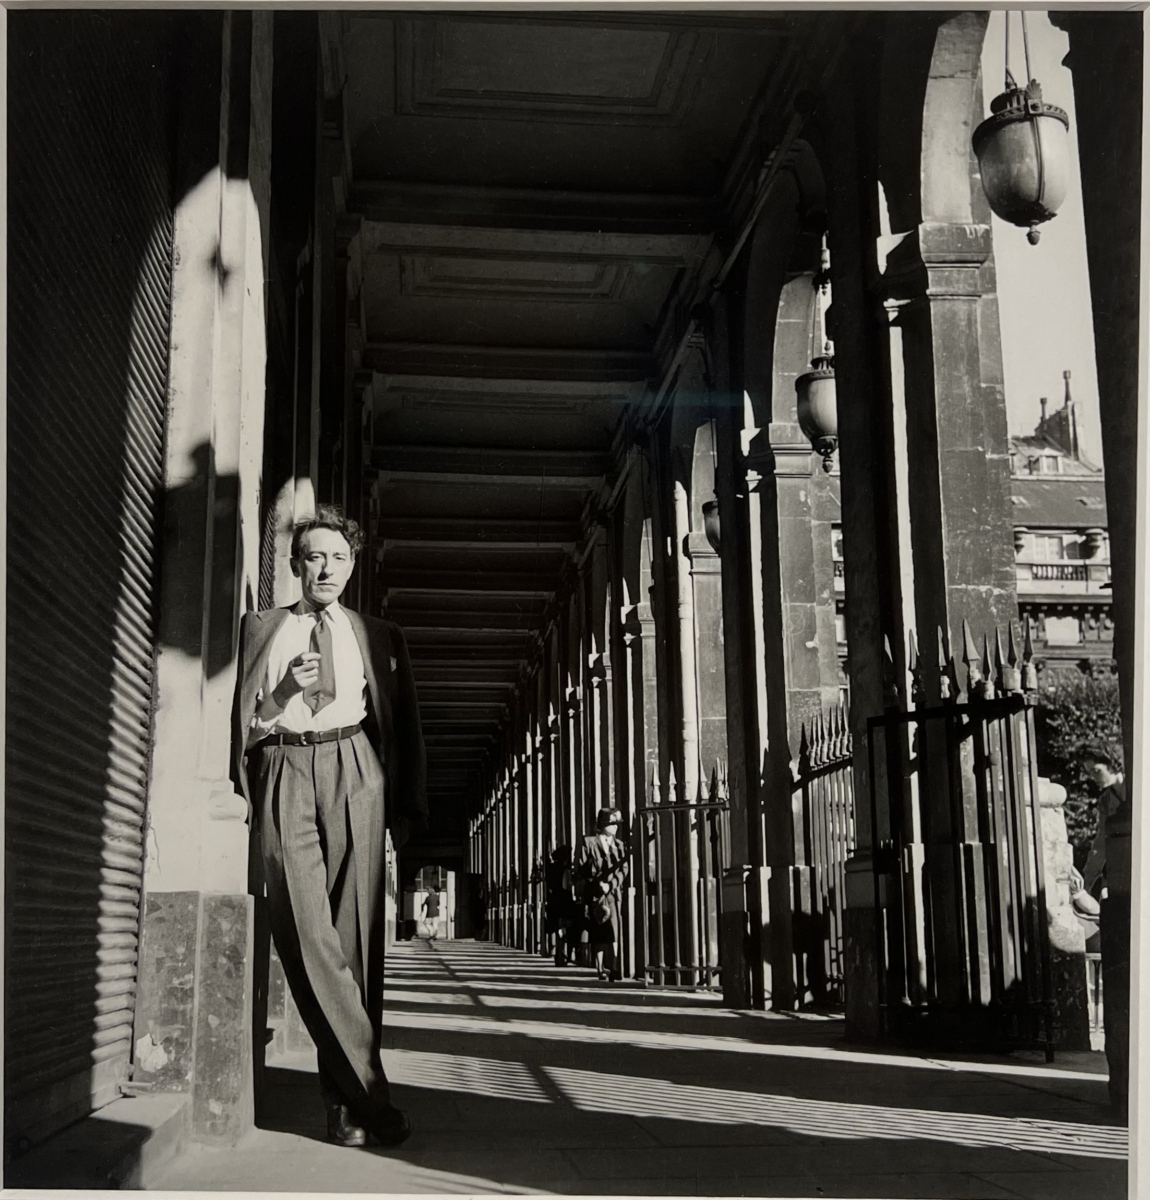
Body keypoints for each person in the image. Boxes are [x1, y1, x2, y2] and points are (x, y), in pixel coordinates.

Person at [231, 504, 427, 1148]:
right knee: (306, 933)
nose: (328, 569)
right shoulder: (261, 628)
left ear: (352, 566)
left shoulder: (379, 634)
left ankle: (344, 1107)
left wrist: (405, 808)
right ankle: (370, 1091)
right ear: (295, 564)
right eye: (315, 556)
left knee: (357, 942)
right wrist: (284, 692)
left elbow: (404, 725)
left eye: (340, 557)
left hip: (355, 769)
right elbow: (243, 726)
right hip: (284, 765)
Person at [1072, 744, 1130, 1112]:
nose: (1094, 778)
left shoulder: (1112, 799)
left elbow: (1099, 846)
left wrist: (1088, 880)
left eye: (1095, 771)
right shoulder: (1113, 796)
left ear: (1110, 765)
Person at [575, 809, 629, 981]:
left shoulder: (620, 845)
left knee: (614, 930)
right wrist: (596, 882)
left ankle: (614, 966)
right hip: (596, 894)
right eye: (612, 824)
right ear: (603, 825)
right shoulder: (588, 843)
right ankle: (600, 968)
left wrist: (611, 885)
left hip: (613, 893)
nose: (615, 827)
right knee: (599, 931)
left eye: (617, 824)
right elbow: (581, 868)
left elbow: (624, 870)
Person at [544, 845, 578, 967]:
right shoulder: (565, 870)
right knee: (565, 928)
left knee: (557, 928)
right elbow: (566, 886)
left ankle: (557, 954)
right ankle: (563, 954)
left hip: (553, 900)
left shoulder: (550, 868)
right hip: (564, 901)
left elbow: (549, 885)